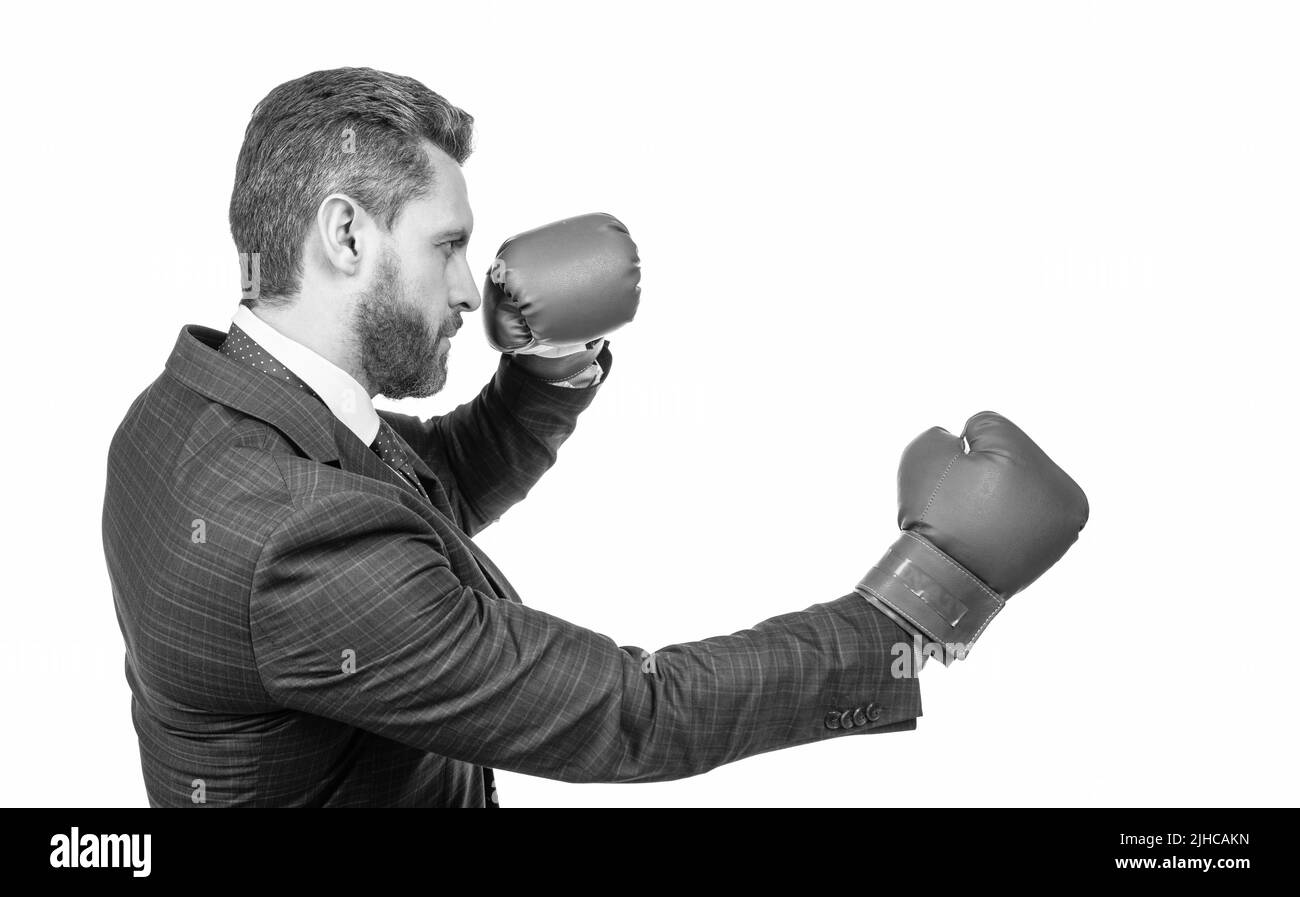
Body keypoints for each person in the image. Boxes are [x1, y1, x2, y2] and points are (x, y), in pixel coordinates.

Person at [101, 67, 1088, 807]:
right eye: (446, 245)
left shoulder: (194, 408)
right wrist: (911, 618)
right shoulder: (288, 538)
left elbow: (413, 487)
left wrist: (548, 370)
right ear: (346, 235)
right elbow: (631, 713)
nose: (463, 290)